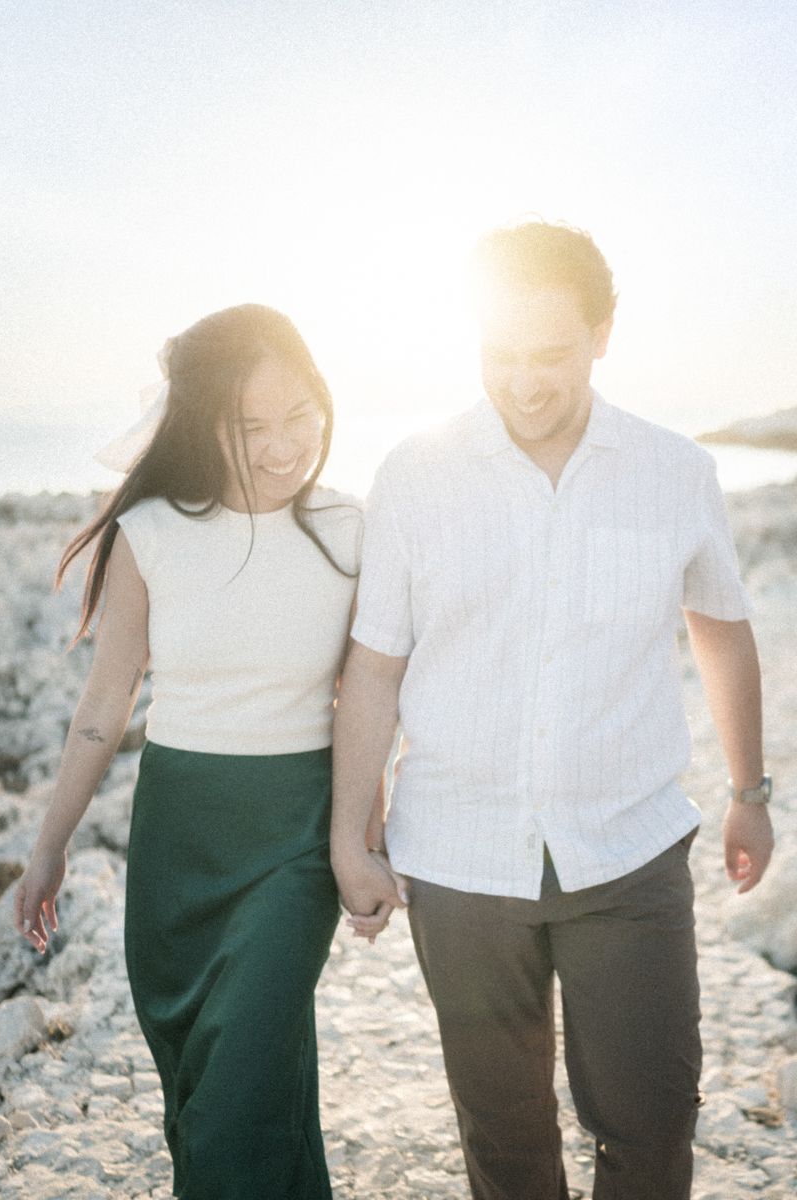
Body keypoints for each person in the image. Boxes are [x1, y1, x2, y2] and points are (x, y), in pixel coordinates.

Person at [331, 221, 775, 1200]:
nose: (524, 381)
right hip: (456, 858)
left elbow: (721, 628)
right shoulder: (414, 474)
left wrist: (748, 790)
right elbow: (372, 669)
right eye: (500, 355)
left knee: (653, 1121)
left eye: (551, 354)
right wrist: (348, 836)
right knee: (503, 1139)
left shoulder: (672, 470)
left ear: (601, 335)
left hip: (627, 850)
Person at [14, 303, 375, 1200]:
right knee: (210, 1095)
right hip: (178, 839)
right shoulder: (155, 531)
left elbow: (373, 695)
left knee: (235, 1104)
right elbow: (106, 705)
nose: (285, 445)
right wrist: (50, 844)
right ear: (205, 421)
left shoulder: (350, 527)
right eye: (252, 425)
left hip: (295, 841)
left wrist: (365, 834)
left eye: (301, 415)